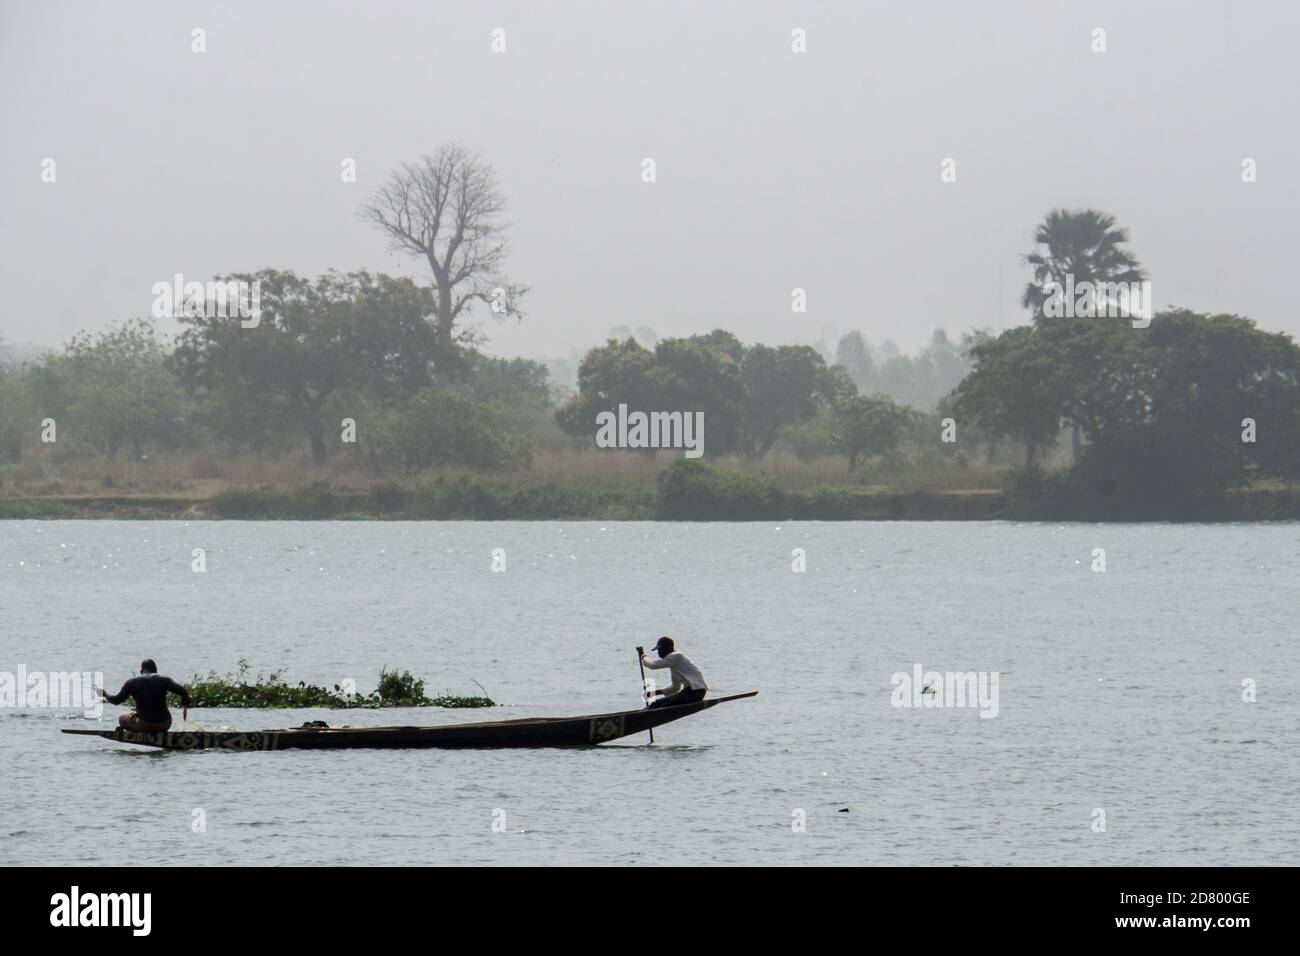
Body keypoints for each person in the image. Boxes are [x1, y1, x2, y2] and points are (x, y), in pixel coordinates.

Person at [101, 659, 192, 733]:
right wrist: (185, 702)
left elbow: (116, 700)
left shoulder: (131, 682)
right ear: (156, 670)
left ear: (141, 671)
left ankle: (134, 730)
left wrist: (105, 694)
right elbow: (183, 691)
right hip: (164, 724)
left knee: (122, 718)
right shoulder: (165, 680)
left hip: (144, 725)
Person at [641, 636, 708, 709]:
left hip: (695, 692)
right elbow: (675, 687)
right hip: (688, 692)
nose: (658, 652)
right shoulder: (674, 665)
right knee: (655, 704)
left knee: (664, 707)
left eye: (660, 649)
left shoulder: (675, 656)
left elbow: (652, 665)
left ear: (667, 648)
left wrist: (643, 656)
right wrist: (653, 693)